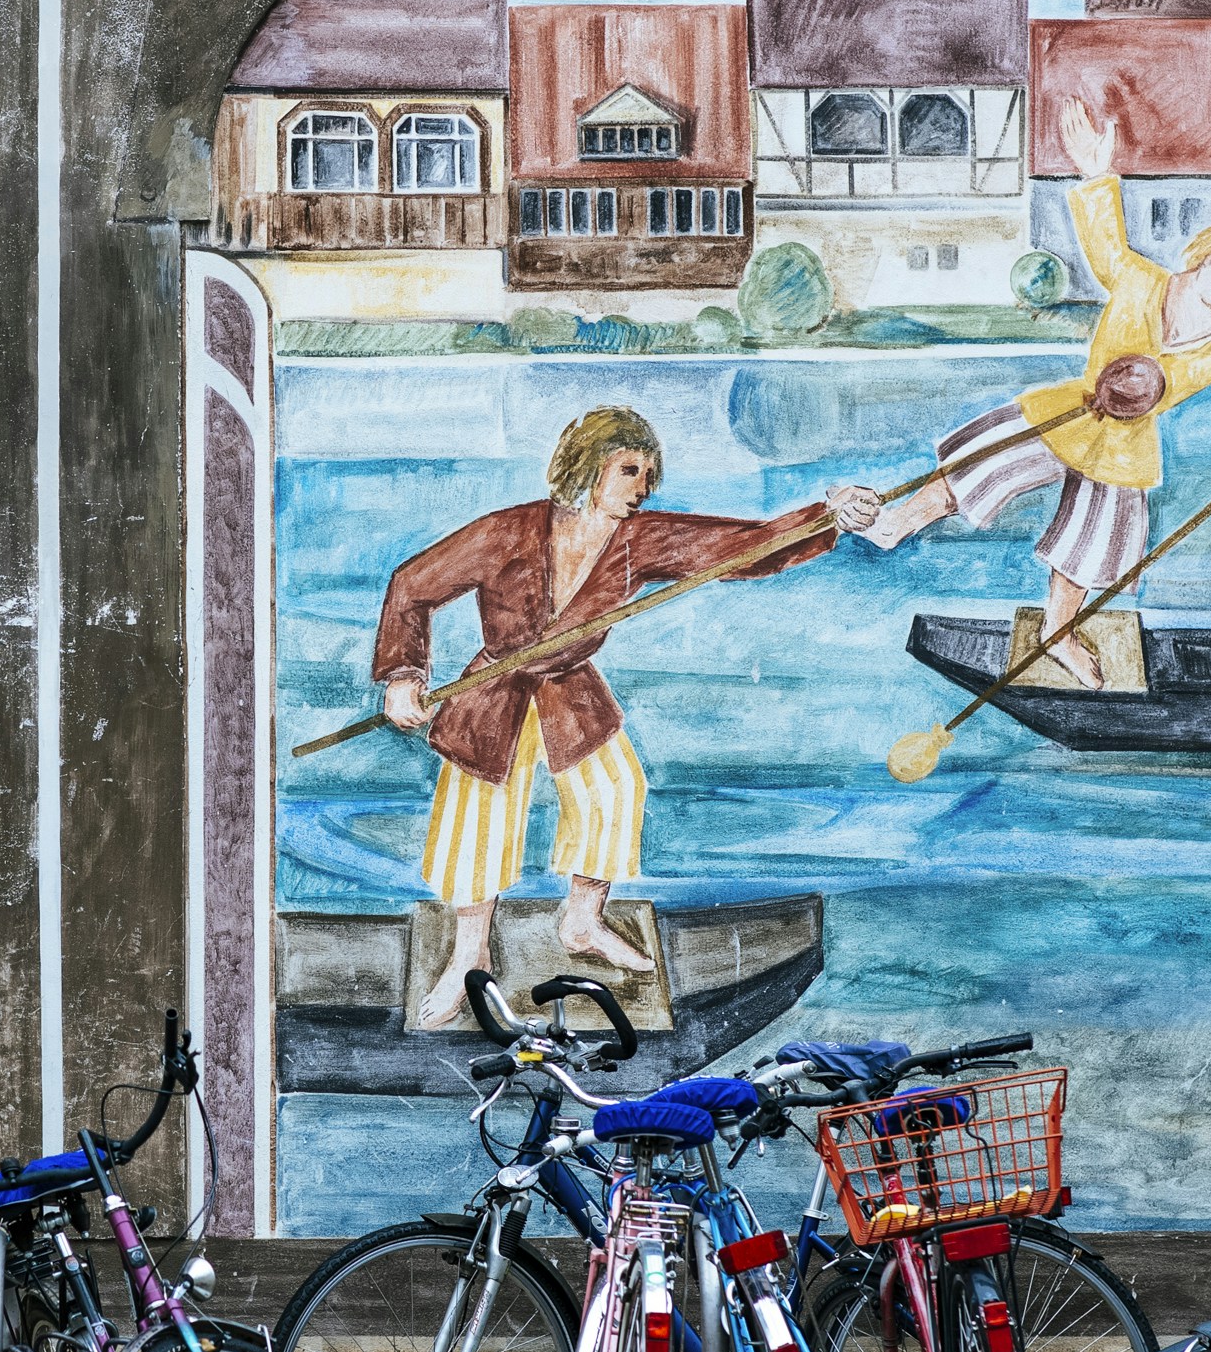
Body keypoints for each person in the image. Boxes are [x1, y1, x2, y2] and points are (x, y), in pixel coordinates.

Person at [373, 406, 879, 1031]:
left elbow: (743, 547)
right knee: (477, 816)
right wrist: (403, 676)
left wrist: (827, 515)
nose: (643, 488)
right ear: (588, 466)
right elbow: (413, 583)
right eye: (629, 470)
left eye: (649, 474)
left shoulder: (637, 540)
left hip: (570, 690)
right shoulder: (508, 530)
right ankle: (469, 953)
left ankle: (582, 921)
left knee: (614, 790)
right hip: (493, 691)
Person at [865, 97, 1211, 686]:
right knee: (981, 464)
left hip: (1126, 449)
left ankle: (1058, 632)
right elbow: (1106, 246)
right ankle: (899, 523)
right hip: (1072, 410)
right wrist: (1096, 174)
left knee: (1090, 544)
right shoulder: (1139, 280)